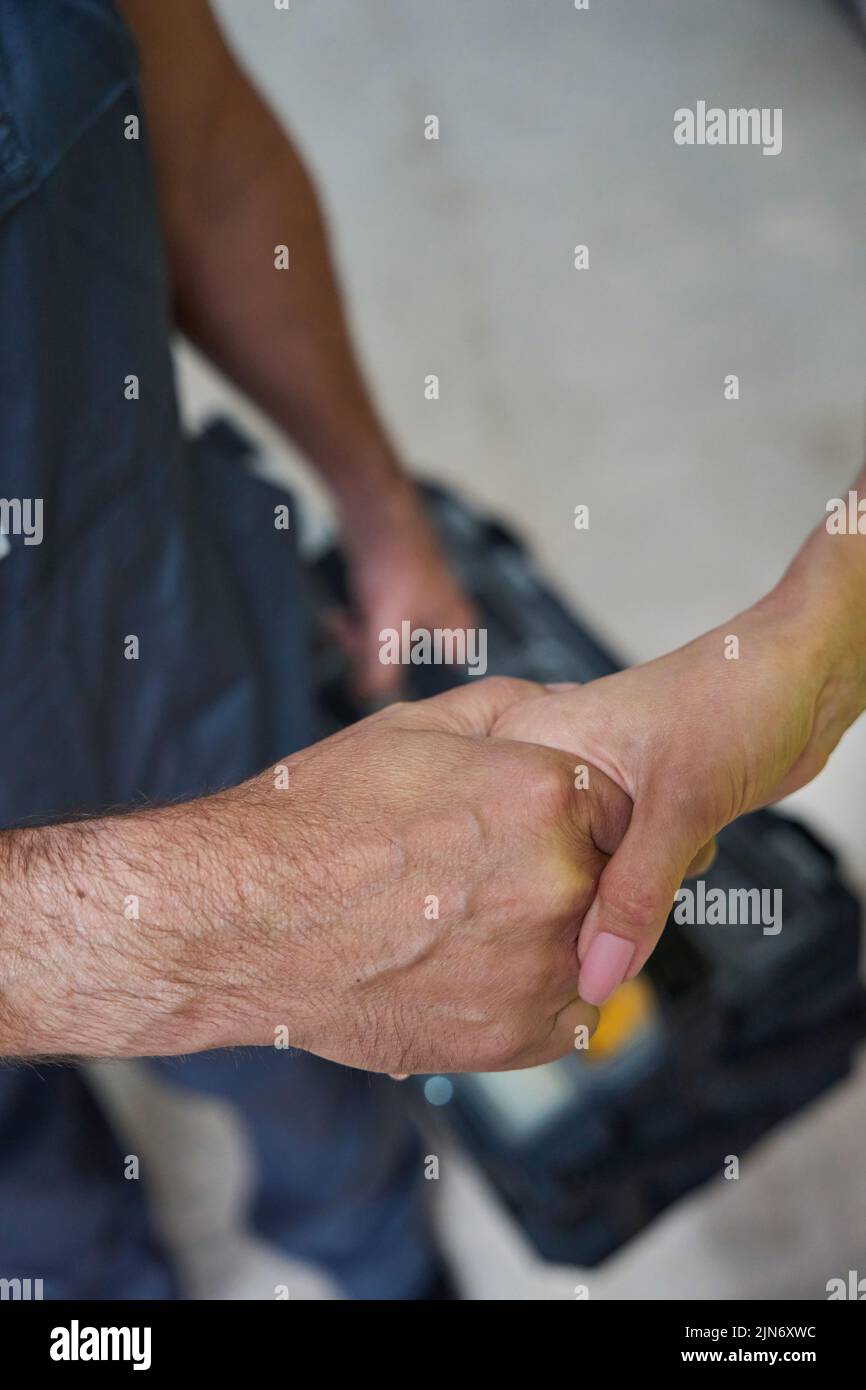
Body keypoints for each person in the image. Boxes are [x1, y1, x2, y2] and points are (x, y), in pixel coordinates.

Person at [0, 0, 609, 1300]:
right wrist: (197, 927)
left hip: (156, 643)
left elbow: (210, 157)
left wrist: (380, 510)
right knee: (33, 1217)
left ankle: (376, 1257)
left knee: (322, 1077)